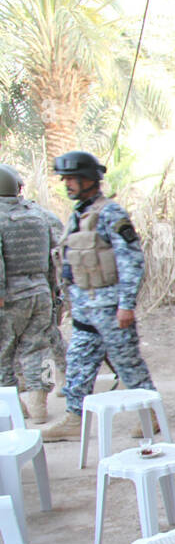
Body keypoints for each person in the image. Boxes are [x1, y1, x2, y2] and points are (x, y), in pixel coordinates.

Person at [41, 150, 155, 441]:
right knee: (78, 361)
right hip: (85, 308)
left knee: (128, 364)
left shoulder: (110, 213)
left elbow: (131, 260)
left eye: (72, 179)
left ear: (89, 180)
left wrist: (126, 305)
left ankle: (149, 415)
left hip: (111, 308)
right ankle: (73, 417)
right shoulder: (79, 214)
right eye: (64, 179)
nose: (66, 184)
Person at [0, 164, 66, 408]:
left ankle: (12, 409)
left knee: (3, 354)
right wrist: (51, 289)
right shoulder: (37, 214)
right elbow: (52, 257)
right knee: (38, 349)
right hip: (40, 293)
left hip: (9, 297)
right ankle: (39, 405)